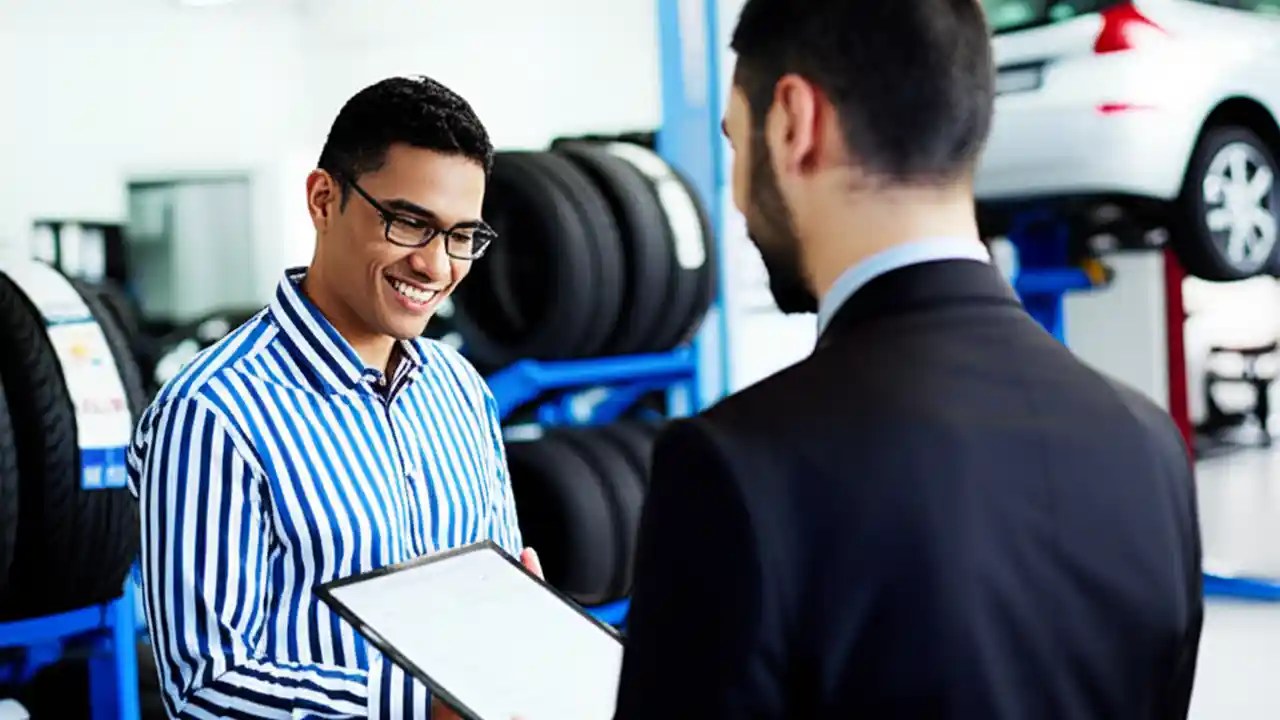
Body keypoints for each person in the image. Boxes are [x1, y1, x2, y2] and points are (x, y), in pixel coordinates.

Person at [613, 1, 1204, 718]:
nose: (737, 197)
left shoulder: (732, 469)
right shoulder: (1147, 443)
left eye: (737, 142)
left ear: (795, 123)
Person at [127, 75, 538, 719]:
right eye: (409, 224)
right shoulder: (212, 413)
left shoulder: (461, 392)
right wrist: (414, 708)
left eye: (462, 236)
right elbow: (205, 685)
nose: (436, 266)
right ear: (324, 199)